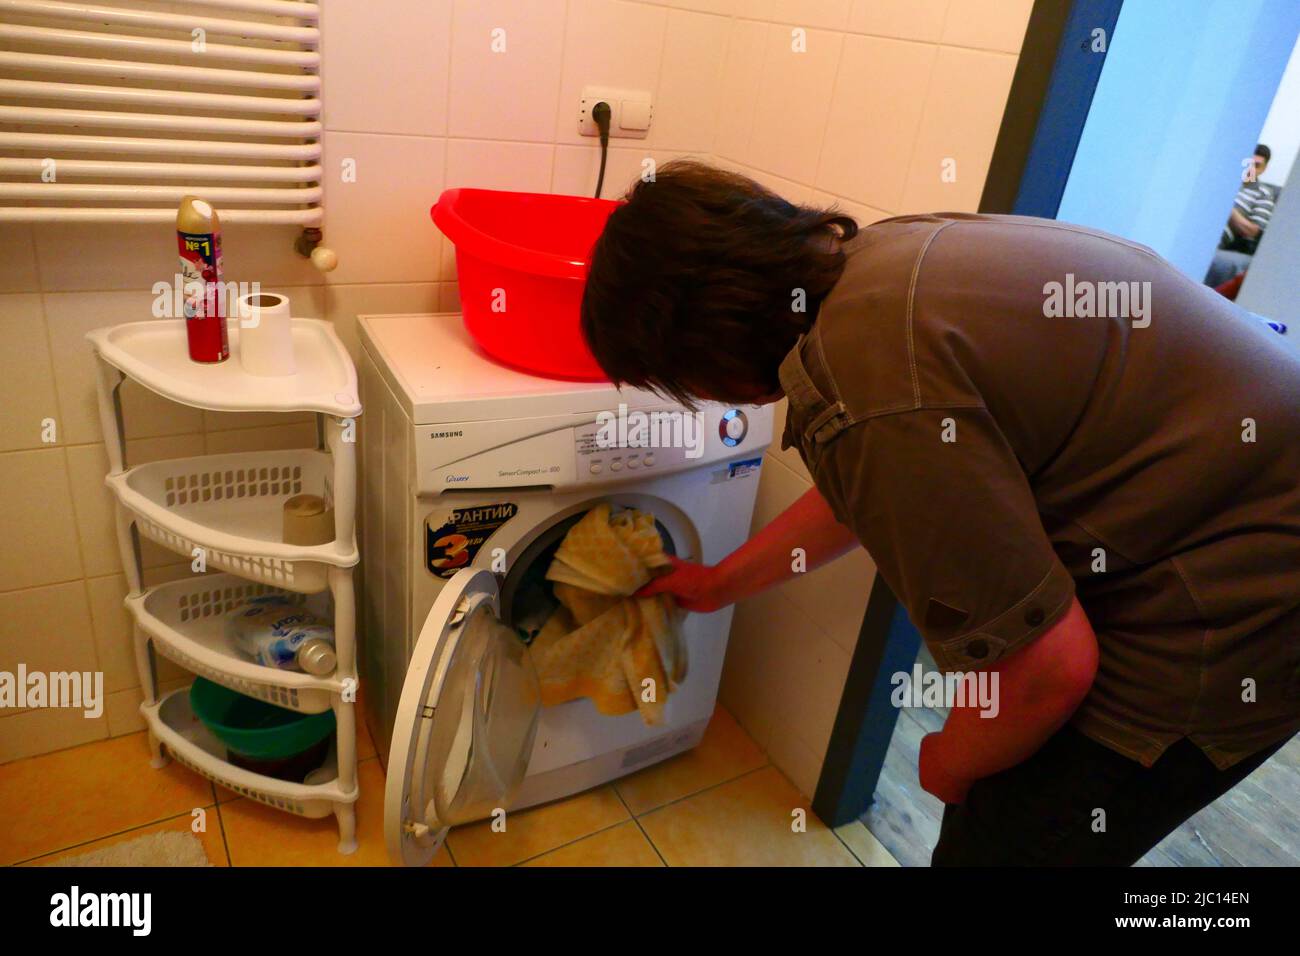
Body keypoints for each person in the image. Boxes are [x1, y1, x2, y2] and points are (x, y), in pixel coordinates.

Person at [580, 160, 1300, 866]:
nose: (710, 400)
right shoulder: (871, 267)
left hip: (1240, 605)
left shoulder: (865, 384)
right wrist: (717, 585)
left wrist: (949, 761)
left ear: (705, 345)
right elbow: (870, 488)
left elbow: (1048, 668)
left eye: (682, 381)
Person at [1204, 143, 1281, 287]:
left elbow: (1252, 232)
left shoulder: (1263, 194)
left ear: (1264, 169)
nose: (1250, 169)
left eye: (1256, 166)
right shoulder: (1223, 180)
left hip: (1212, 237)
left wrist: (1227, 205)